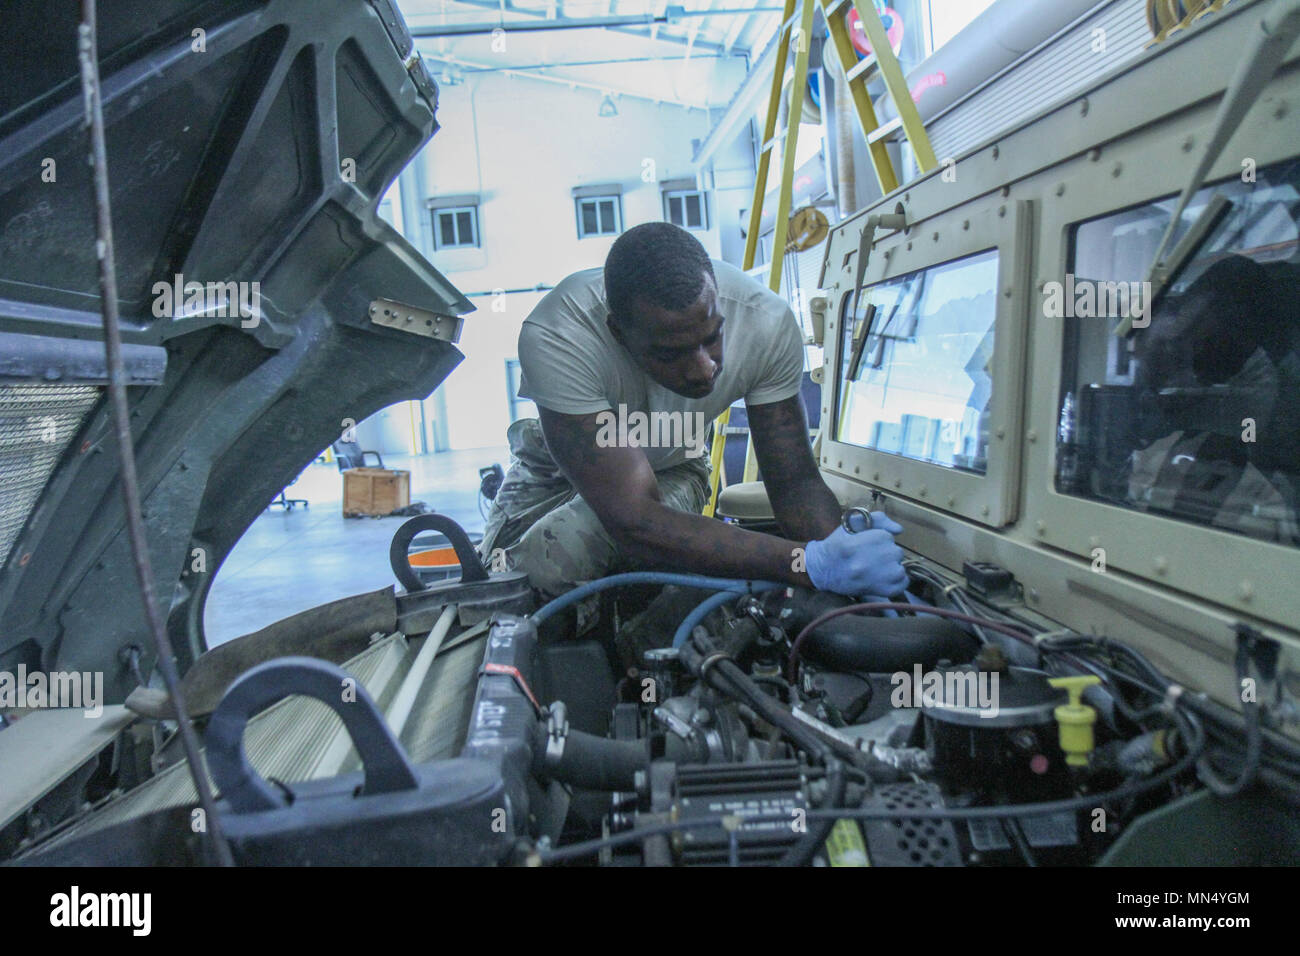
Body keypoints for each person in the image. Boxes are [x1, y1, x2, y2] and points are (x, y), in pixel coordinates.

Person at [479, 222, 908, 606]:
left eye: (712, 337)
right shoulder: (561, 333)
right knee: (501, 583)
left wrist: (844, 560)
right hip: (557, 458)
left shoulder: (766, 323)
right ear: (617, 332)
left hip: (671, 462)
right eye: (672, 352)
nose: (704, 368)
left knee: (560, 552)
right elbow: (633, 520)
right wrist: (804, 563)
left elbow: (794, 481)